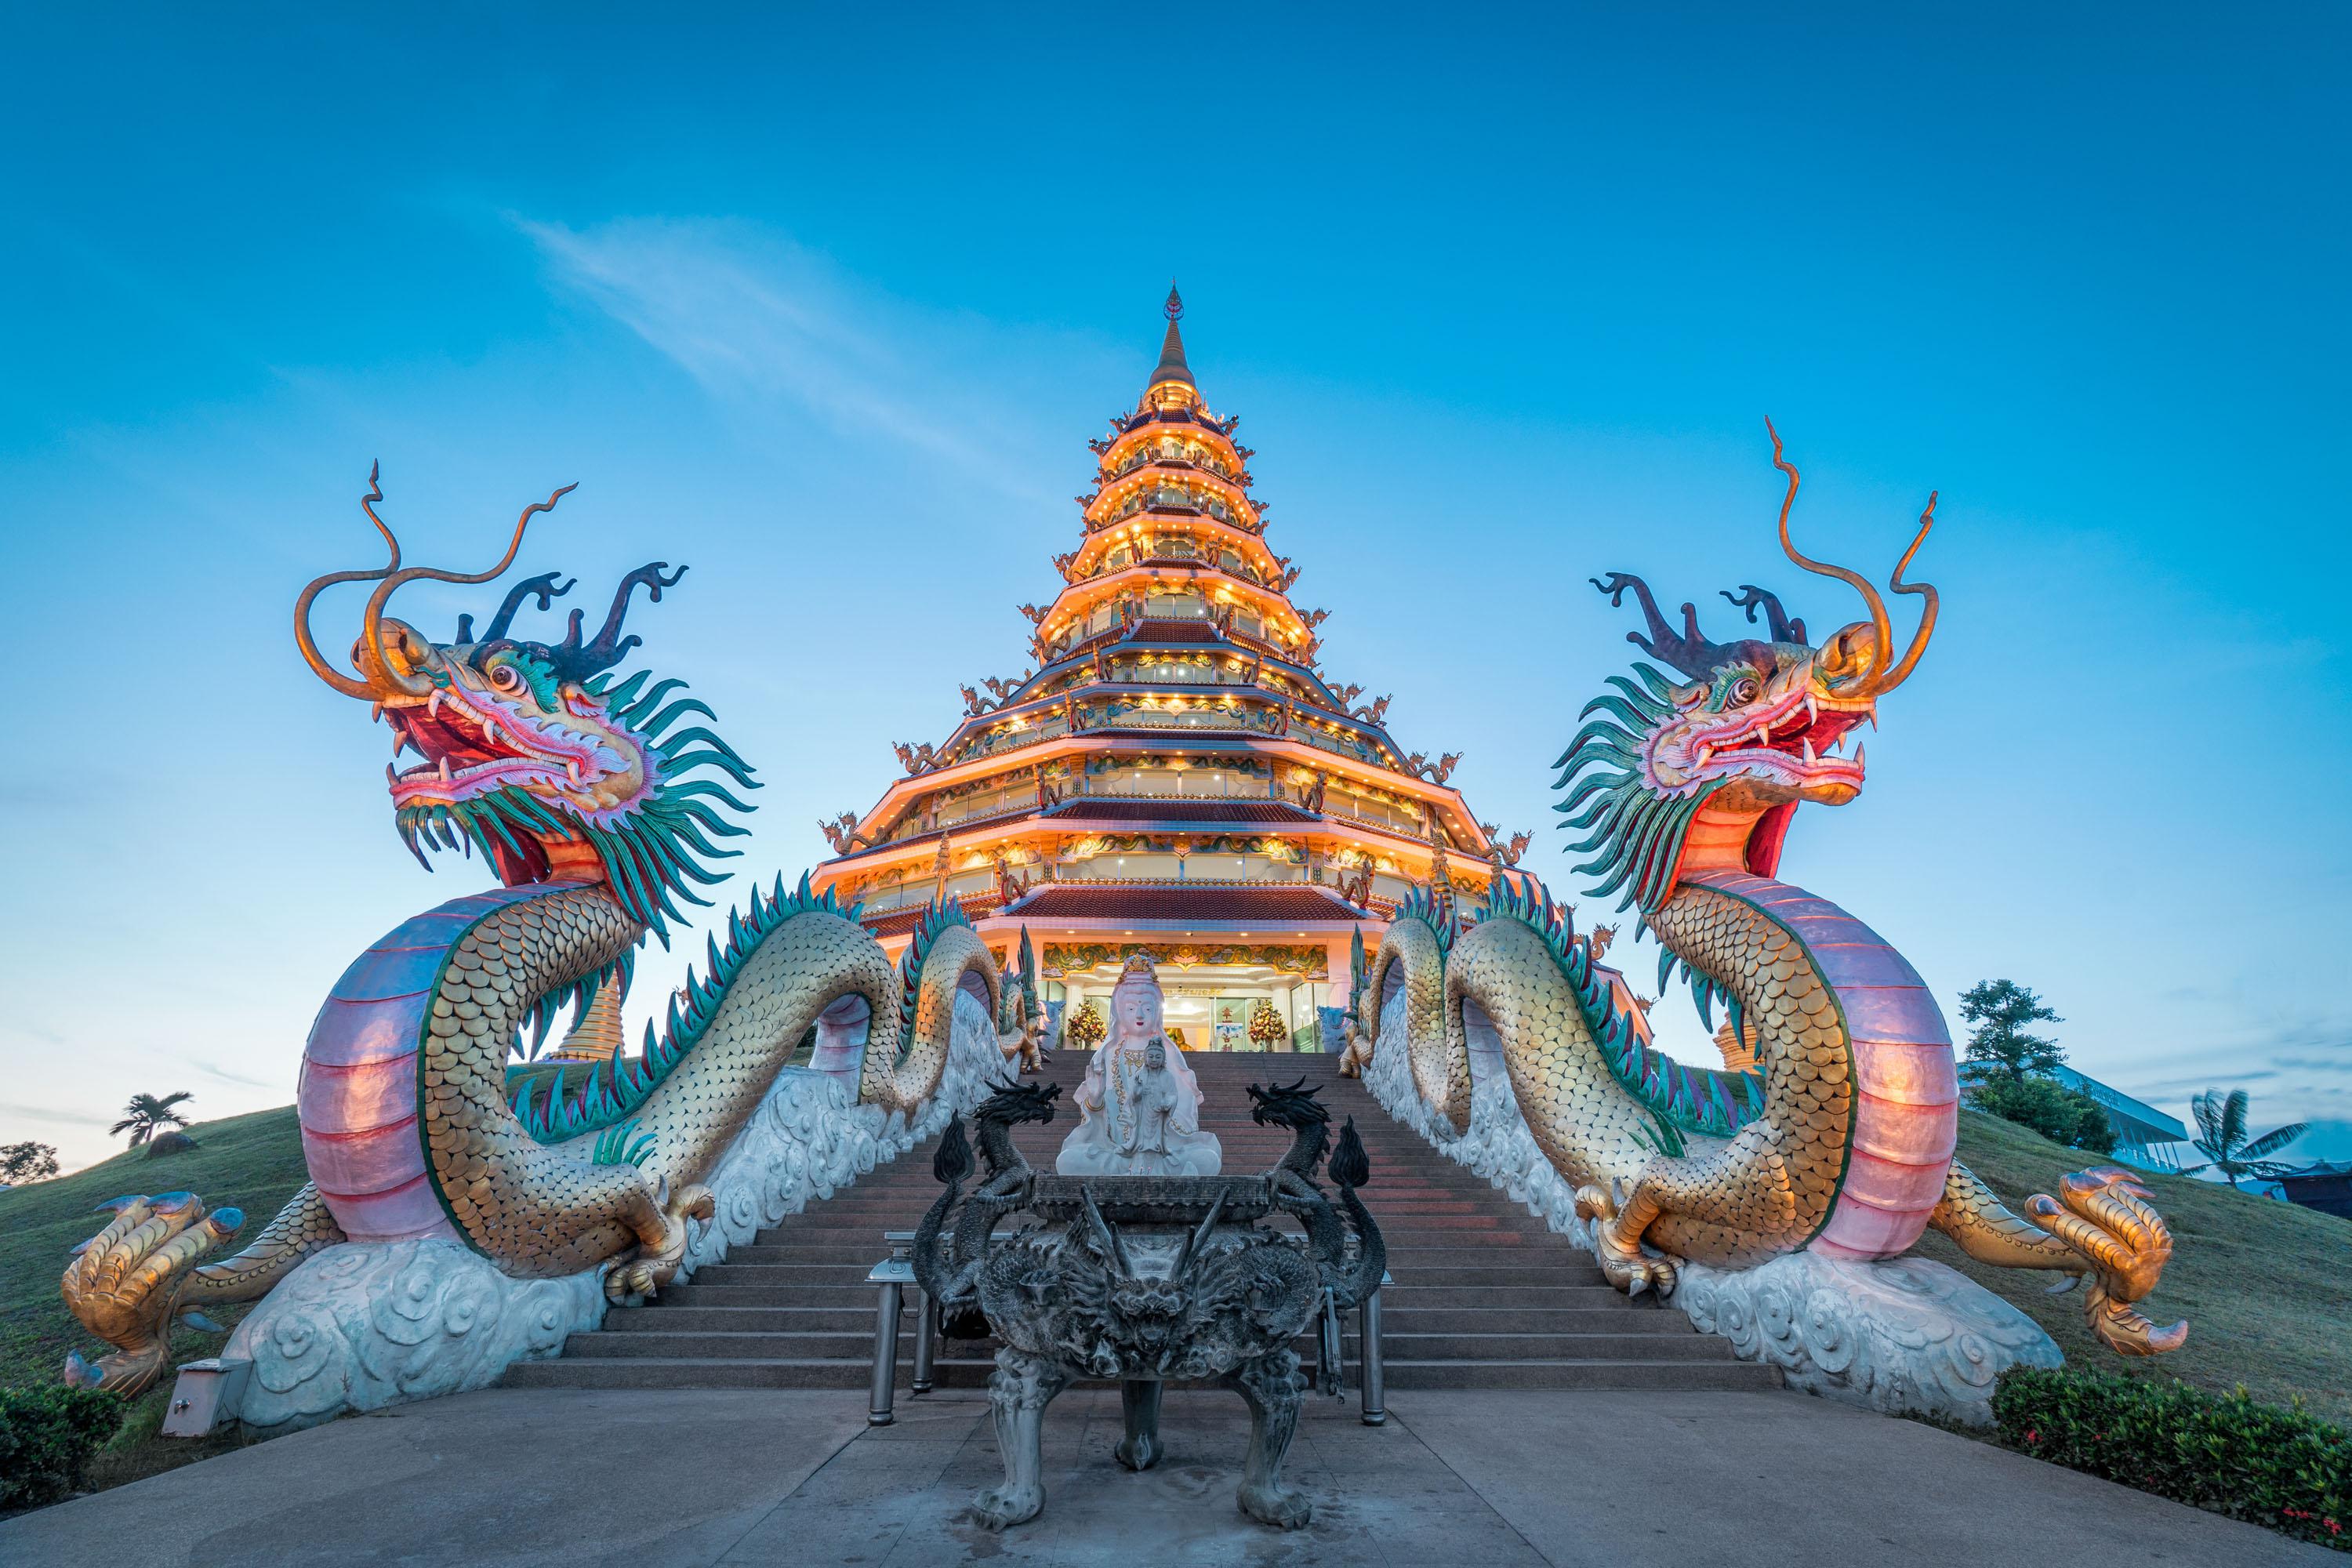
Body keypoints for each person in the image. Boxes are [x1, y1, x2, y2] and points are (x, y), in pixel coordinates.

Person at [1057, 955, 1221, 1177]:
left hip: (1161, 1149)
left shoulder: (1169, 1055)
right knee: (1068, 1160)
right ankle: (1140, 1170)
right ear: (1119, 1011)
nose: (1140, 1015)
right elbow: (1093, 1125)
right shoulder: (1107, 1054)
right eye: (1131, 1008)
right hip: (1117, 1151)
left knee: (1207, 1159)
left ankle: (1148, 1168)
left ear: (1157, 1012)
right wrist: (1095, 1101)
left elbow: (1184, 1112)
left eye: (1147, 1008)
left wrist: (1162, 1107)